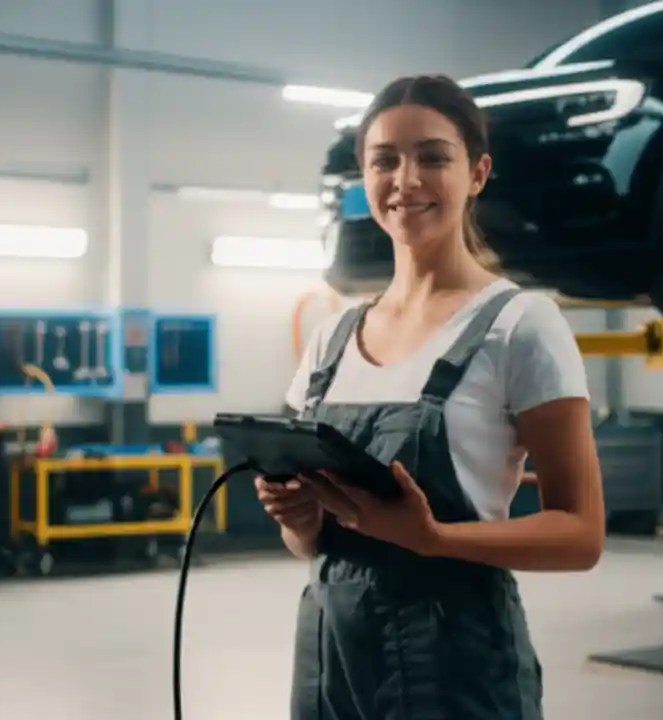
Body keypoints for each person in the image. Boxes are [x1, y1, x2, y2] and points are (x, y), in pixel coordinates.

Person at [255, 74, 606, 720]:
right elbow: (310, 547)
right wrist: (299, 521)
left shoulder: (521, 325)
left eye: (433, 157)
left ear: (477, 172)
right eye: (384, 160)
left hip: (456, 665)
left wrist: (435, 537)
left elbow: (582, 534)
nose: (406, 180)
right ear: (364, 177)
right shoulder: (332, 340)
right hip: (331, 662)